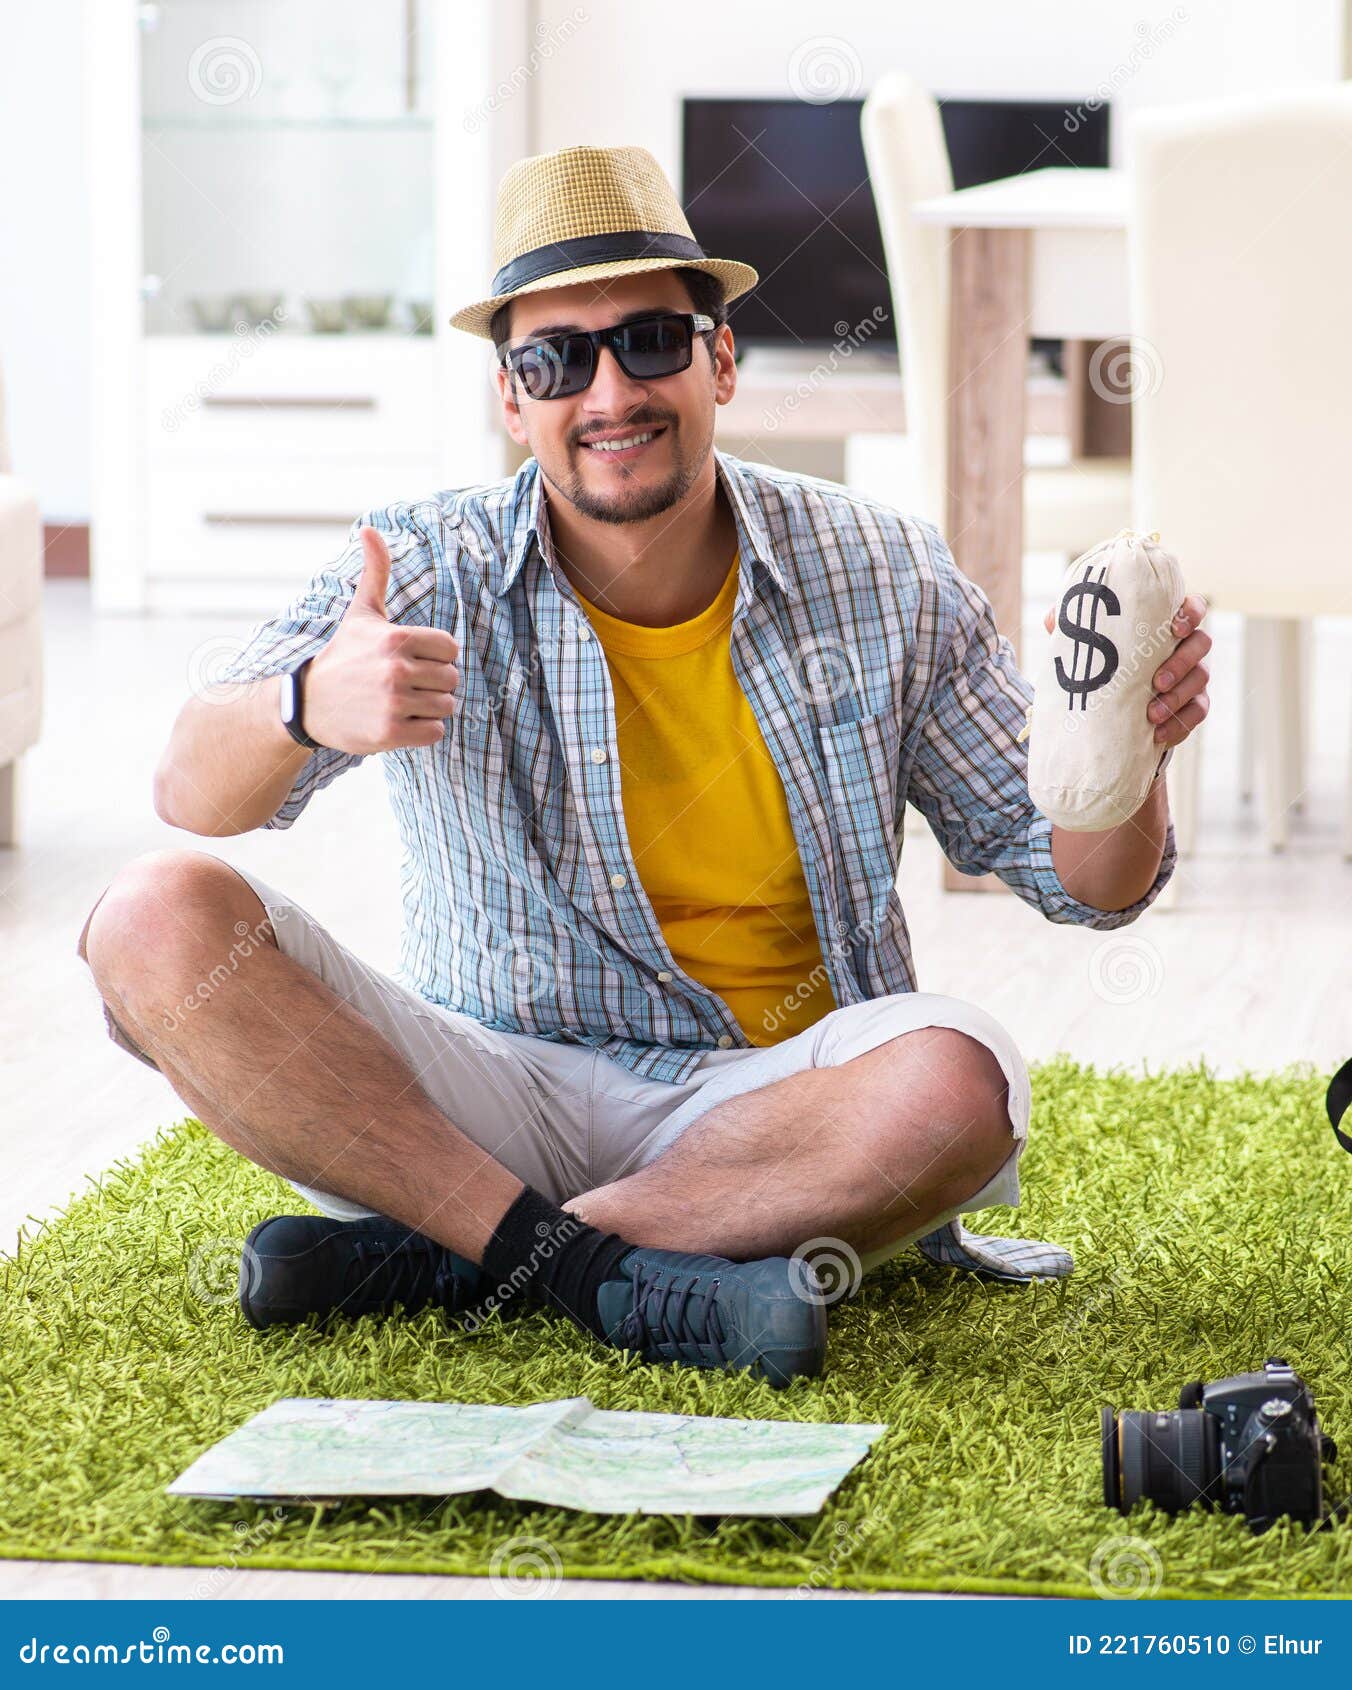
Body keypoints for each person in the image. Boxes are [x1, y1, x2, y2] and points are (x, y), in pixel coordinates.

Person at [77, 144, 1210, 1388]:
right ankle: (607, 1271)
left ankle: (464, 1259)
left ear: (720, 359)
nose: (608, 389)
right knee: (148, 918)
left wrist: (1125, 745)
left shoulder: (882, 568)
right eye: (554, 359)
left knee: (961, 1075)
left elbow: (1082, 882)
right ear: (512, 401)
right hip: (492, 1083)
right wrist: (304, 701)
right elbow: (191, 793)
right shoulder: (424, 565)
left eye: (651, 342)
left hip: (774, 1106)